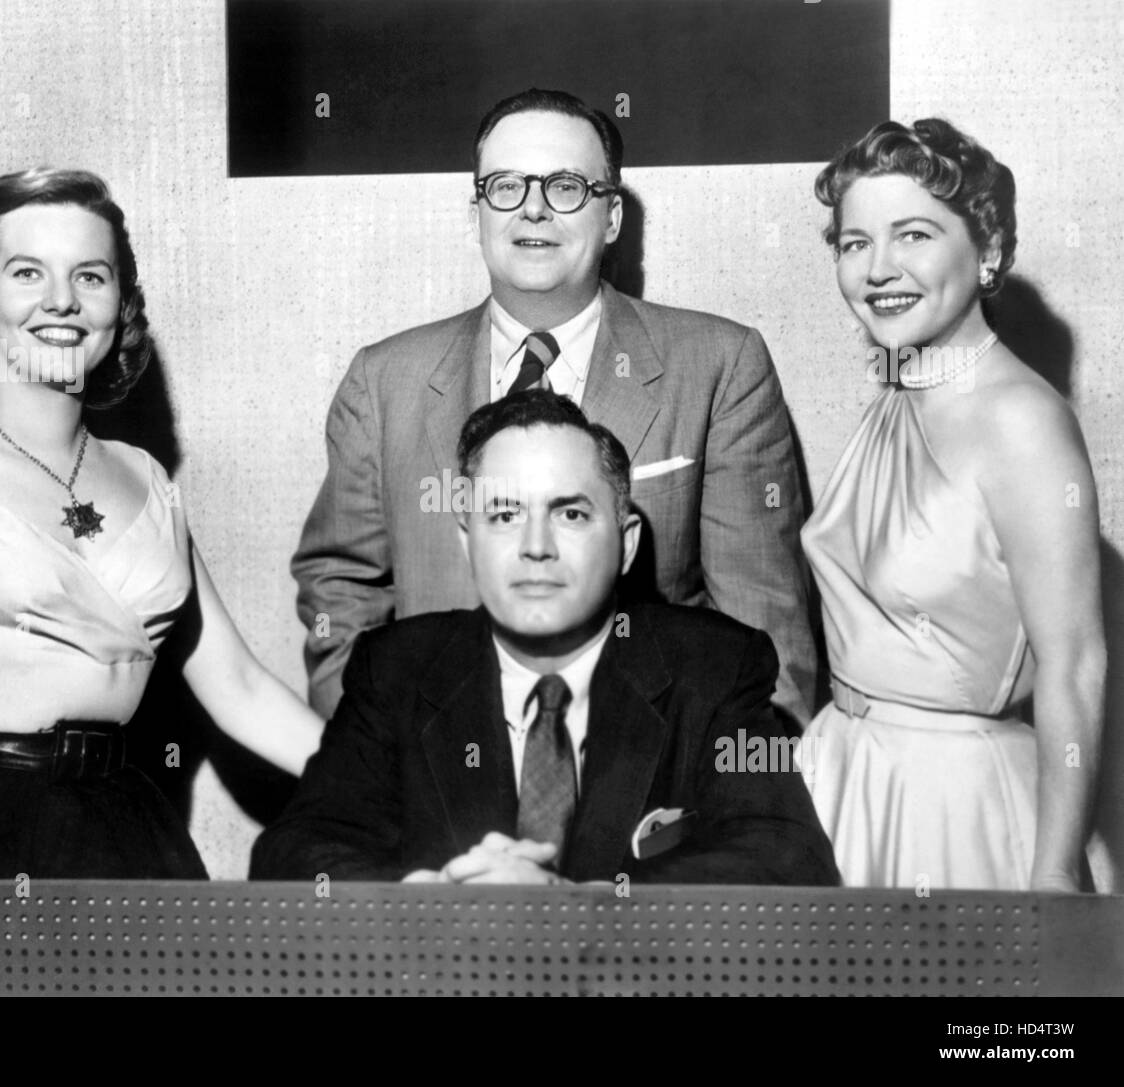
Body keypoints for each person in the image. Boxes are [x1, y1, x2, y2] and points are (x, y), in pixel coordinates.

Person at [0, 167, 323, 881]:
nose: (62, 299)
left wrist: (390, 792)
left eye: (90, 276)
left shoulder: (149, 482)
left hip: (126, 838)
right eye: (28, 272)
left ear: (119, 304)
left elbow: (241, 689)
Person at [292, 87, 817, 730]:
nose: (533, 209)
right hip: (436, 766)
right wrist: (373, 751)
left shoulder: (720, 366)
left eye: (566, 186)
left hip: (650, 767)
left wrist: (738, 778)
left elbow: (764, 629)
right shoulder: (382, 382)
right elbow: (339, 589)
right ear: (477, 214)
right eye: (506, 186)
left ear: (612, 217)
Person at [252, 391, 839, 886]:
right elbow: (293, 851)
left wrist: (575, 910)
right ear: (466, 541)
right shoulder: (395, 668)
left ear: (627, 543)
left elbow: (787, 857)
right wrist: (425, 903)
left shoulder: (716, 667)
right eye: (504, 516)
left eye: (570, 514)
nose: (536, 546)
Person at [801, 120, 1105, 891]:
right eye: (855, 242)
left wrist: (1056, 875)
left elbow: (1075, 663)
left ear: (989, 248)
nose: (879, 269)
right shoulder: (900, 388)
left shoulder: (1021, 421)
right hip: (843, 772)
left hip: (952, 805)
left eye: (914, 234)